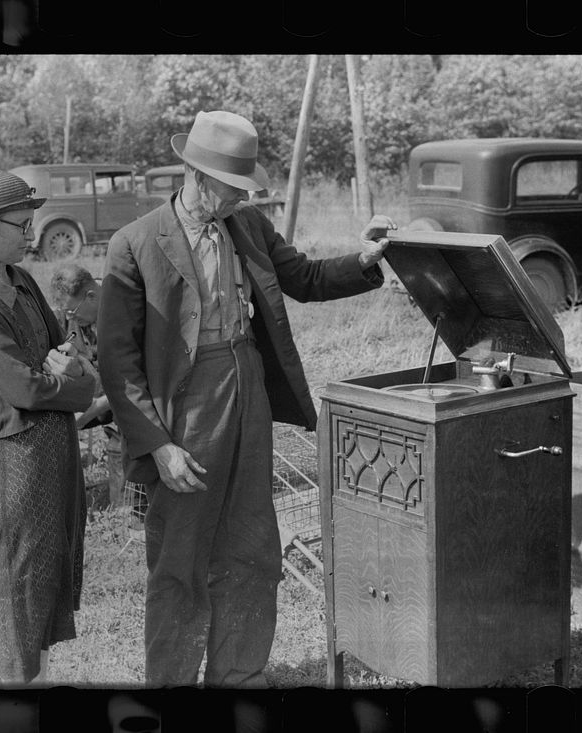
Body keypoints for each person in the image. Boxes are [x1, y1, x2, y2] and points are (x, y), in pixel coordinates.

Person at [97, 109, 396, 688]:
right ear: (197, 176)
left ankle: (239, 674)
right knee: (180, 555)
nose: (241, 198)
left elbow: (304, 278)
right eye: (233, 188)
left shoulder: (249, 226)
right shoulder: (134, 246)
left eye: (245, 190)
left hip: (248, 387)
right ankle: (173, 682)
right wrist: (158, 445)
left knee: (254, 544)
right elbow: (118, 361)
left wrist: (362, 261)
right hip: (185, 408)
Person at [0, 166, 99, 684]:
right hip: (14, 458)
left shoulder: (22, 280)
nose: (31, 233)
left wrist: (63, 368)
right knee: (18, 585)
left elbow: (62, 349)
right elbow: (23, 387)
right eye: (21, 223)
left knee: (48, 578)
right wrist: (82, 390)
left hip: (54, 446)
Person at [48, 265, 128, 512]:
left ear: (92, 296)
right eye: (66, 312)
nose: (70, 319)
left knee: (121, 444)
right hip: (93, 397)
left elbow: (134, 383)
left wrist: (91, 412)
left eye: (73, 311)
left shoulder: (126, 311)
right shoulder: (74, 314)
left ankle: (127, 513)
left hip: (130, 401)